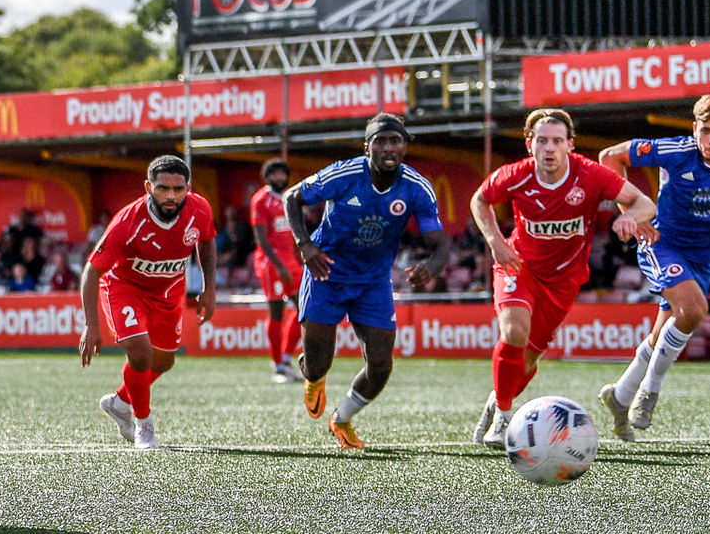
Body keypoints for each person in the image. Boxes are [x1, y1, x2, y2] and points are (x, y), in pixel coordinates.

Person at [469, 108, 658, 449]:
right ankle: (504, 417)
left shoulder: (591, 176)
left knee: (527, 359)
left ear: (570, 145)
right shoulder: (515, 175)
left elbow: (644, 203)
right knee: (513, 331)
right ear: (530, 145)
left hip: (564, 281)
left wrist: (628, 218)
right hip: (519, 266)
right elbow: (479, 200)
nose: (549, 148)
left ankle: (496, 402)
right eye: (542, 141)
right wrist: (496, 243)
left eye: (557, 141)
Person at [284, 113, 448, 449]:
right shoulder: (345, 173)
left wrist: (432, 266)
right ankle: (312, 377)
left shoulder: (417, 188)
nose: (389, 147)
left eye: (396, 141)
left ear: (404, 147)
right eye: (381, 141)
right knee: (318, 364)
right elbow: (292, 198)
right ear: (367, 147)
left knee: (381, 365)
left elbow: (440, 244)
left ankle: (341, 418)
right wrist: (306, 245)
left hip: (373, 281)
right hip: (325, 272)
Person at [597, 92, 710, 441]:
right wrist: (632, 215)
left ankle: (620, 396)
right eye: (706, 131)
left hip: (703, 257)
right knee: (694, 309)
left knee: (663, 331)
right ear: (695, 128)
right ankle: (648, 393)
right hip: (662, 244)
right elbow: (610, 157)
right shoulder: (675, 150)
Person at [79, 155, 216, 449]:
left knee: (164, 361)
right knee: (140, 354)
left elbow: (206, 241)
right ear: (148, 187)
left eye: (178, 189)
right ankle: (143, 425)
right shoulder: (127, 222)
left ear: (188, 189)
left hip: (169, 291)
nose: (171, 196)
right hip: (125, 287)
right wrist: (91, 325)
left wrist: (209, 287)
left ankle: (119, 401)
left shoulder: (200, 209)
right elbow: (92, 271)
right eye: (163, 188)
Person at [249, 158, 305, 383]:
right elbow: (261, 239)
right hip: (271, 263)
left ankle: (285, 357)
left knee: (304, 308)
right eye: (275, 174)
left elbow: (294, 231)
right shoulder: (261, 200)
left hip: (291, 260)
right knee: (277, 311)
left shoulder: (290, 197)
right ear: (267, 176)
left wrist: (299, 259)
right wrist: (280, 266)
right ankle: (278, 366)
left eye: (282, 174)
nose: (279, 178)